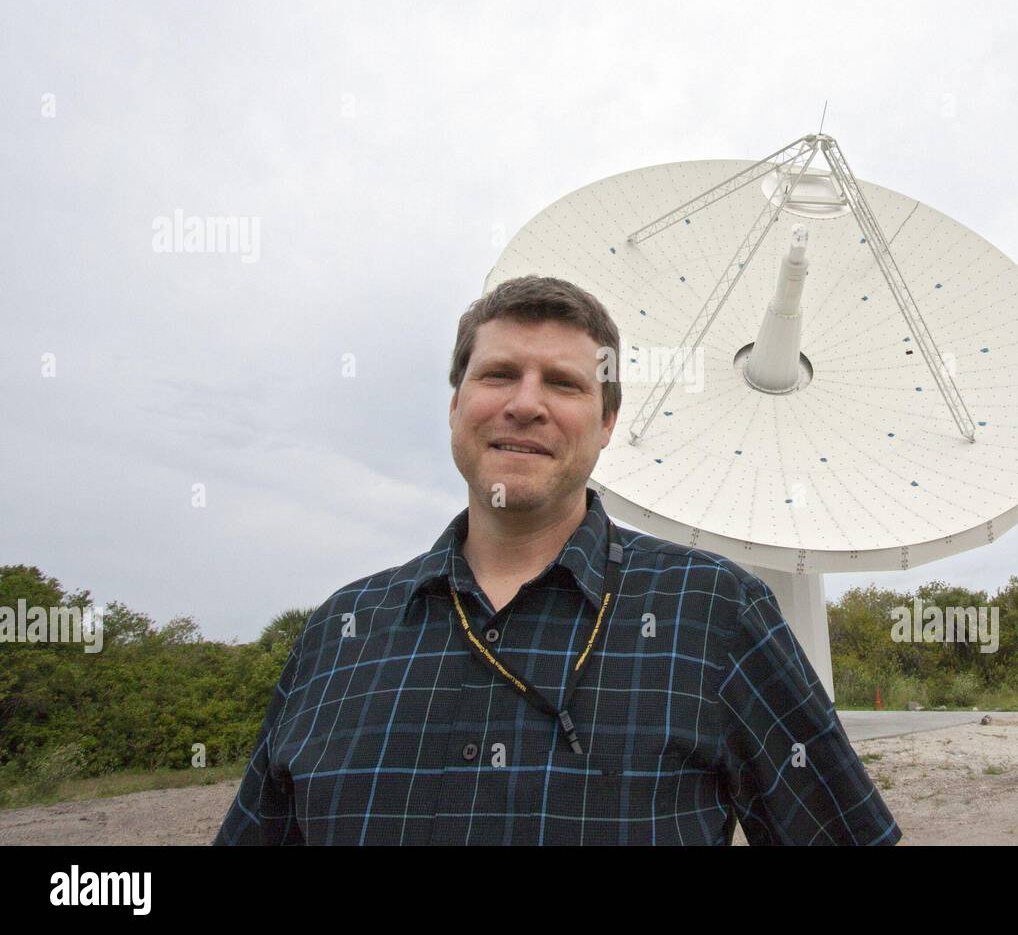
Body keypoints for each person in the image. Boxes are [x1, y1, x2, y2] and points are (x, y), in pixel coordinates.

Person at [213, 275, 900, 845]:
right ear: (456, 405)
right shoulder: (341, 632)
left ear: (606, 422)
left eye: (565, 384)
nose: (525, 403)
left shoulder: (715, 613)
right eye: (499, 374)